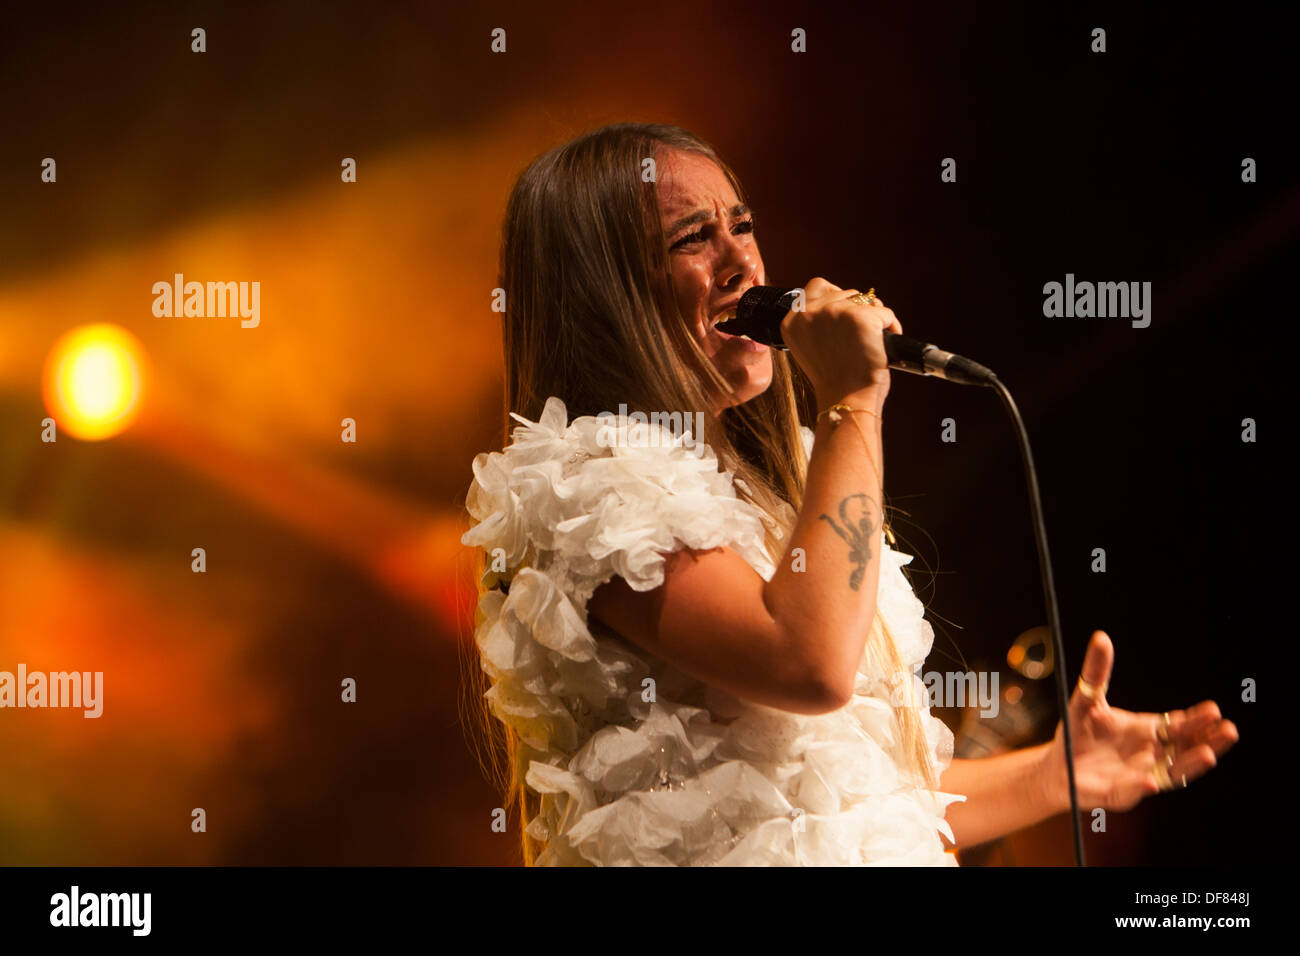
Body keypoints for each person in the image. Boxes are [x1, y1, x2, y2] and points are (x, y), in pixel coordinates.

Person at [459, 122, 1238, 866]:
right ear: (604, 295)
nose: (743, 263)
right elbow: (810, 663)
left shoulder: (776, 488)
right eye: (692, 238)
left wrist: (1053, 775)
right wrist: (853, 401)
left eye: (743, 225)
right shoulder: (585, 490)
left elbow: (860, 809)